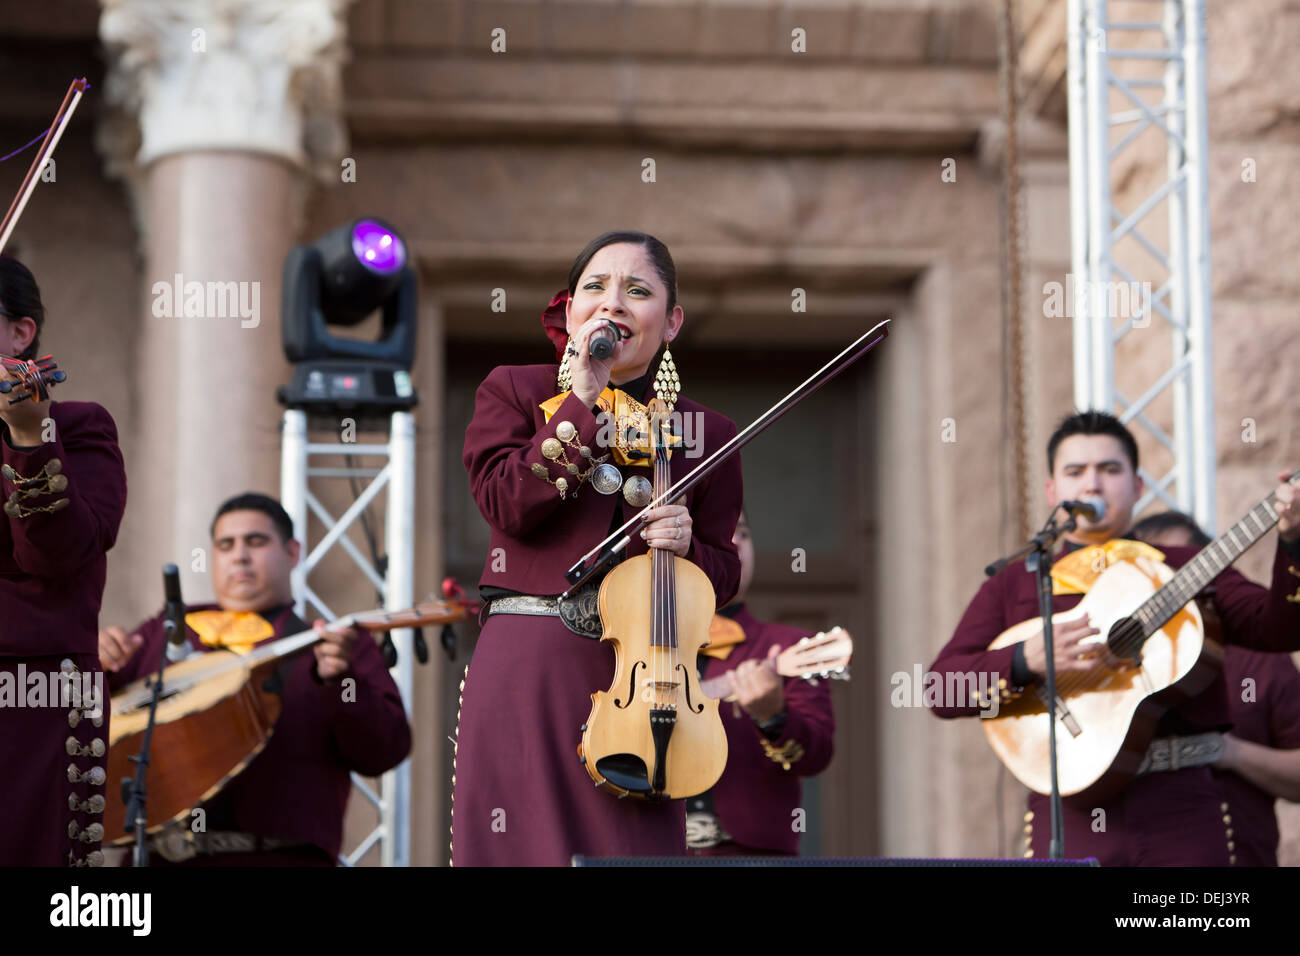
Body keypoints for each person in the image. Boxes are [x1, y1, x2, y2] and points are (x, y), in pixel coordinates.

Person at [452, 231, 743, 866]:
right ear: (570, 309)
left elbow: (725, 576)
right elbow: (507, 505)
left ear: (670, 322)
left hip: (643, 681)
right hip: (528, 664)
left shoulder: (708, 433)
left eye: (637, 292)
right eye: (595, 288)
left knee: (626, 851)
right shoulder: (516, 392)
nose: (612, 304)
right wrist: (580, 401)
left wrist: (690, 548)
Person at [927, 410, 1300, 865]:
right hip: (1072, 808)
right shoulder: (1018, 583)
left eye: (1110, 469)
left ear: (1138, 486)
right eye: (1075, 471)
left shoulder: (1185, 563)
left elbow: (1281, 627)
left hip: (1180, 804)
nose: (1092, 484)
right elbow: (940, 690)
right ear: (1052, 491)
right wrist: (1024, 661)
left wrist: (1293, 544)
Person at [100, 493, 411, 865]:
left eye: (256, 542)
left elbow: (385, 750)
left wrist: (340, 684)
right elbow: (92, 734)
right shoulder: (165, 632)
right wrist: (97, 666)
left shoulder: (335, 642)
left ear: (292, 553)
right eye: (225, 545)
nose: (240, 556)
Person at [0, 256, 128, 867]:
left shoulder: (77, 430)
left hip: (29, 701)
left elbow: (54, 555)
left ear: (20, 334)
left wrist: (28, 440)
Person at [1129, 509, 1300, 867]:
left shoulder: (1259, 658)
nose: (1165, 598)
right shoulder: (1114, 670)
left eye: (1181, 578)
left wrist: (1227, 752)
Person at [687, 510, 836, 856]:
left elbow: (815, 756)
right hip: (644, 849)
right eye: (720, 530)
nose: (736, 541)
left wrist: (775, 718)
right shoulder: (630, 641)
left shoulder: (787, 646)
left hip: (748, 855)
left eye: (744, 532)